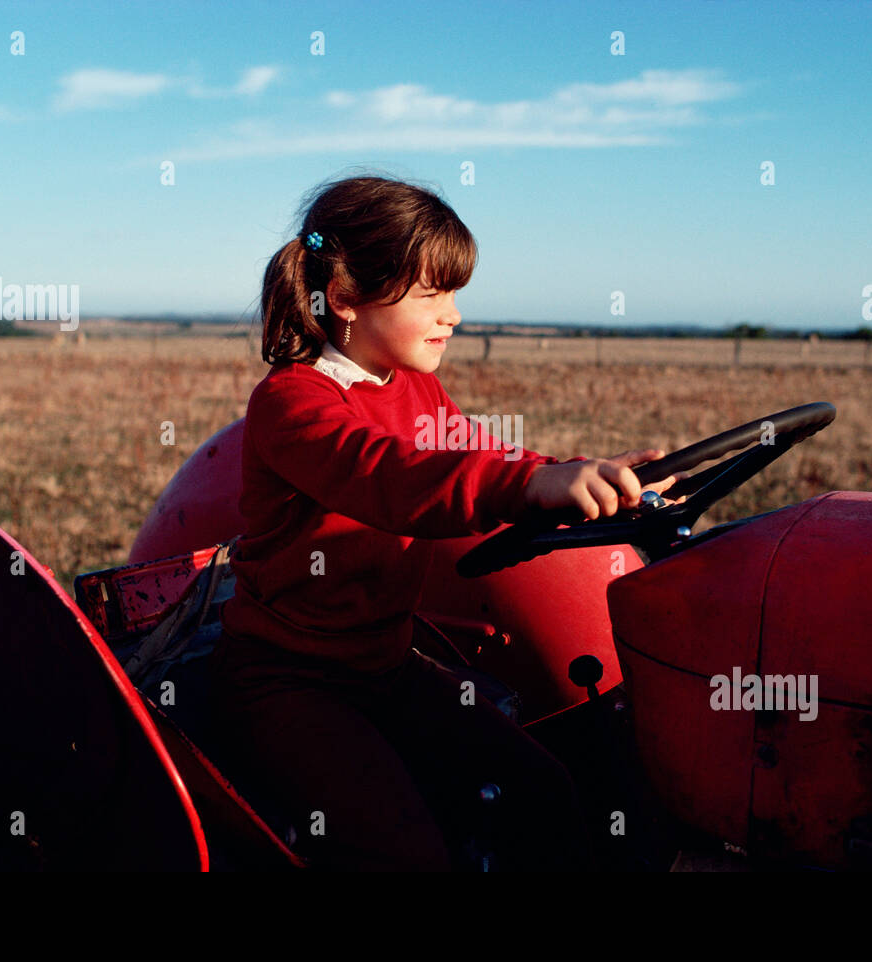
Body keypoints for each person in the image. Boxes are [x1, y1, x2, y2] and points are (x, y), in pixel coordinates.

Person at [212, 173, 682, 871]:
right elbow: (390, 477)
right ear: (344, 297)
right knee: (407, 855)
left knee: (544, 788)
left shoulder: (417, 387)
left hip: (386, 665)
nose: (454, 315)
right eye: (433, 294)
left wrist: (586, 477)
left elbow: (481, 455)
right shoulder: (291, 403)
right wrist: (530, 485)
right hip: (289, 679)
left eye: (454, 293)